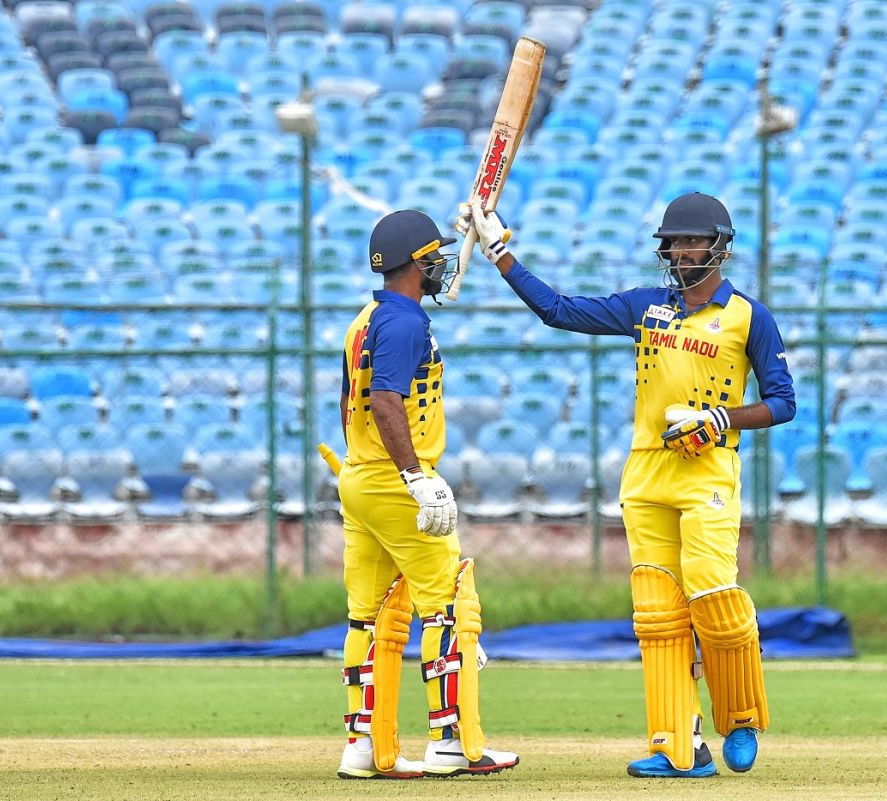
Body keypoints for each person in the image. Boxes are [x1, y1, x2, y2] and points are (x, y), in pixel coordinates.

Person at [457, 192, 796, 779]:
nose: (680, 251)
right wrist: (499, 253)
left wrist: (721, 418)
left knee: (713, 593)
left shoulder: (749, 316)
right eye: (673, 242)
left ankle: (740, 715)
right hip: (646, 473)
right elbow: (558, 310)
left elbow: (783, 403)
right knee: (659, 614)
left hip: (708, 475)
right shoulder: (646, 307)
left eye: (691, 241)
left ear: (719, 247)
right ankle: (680, 748)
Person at [336, 209, 519, 780]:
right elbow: (385, 400)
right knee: (449, 605)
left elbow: (357, 399)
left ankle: (362, 746)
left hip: (360, 478)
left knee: (367, 618)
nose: (441, 263)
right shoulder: (404, 323)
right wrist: (415, 476)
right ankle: (451, 742)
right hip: (395, 482)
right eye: (434, 256)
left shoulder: (366, 318)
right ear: (416, 263)